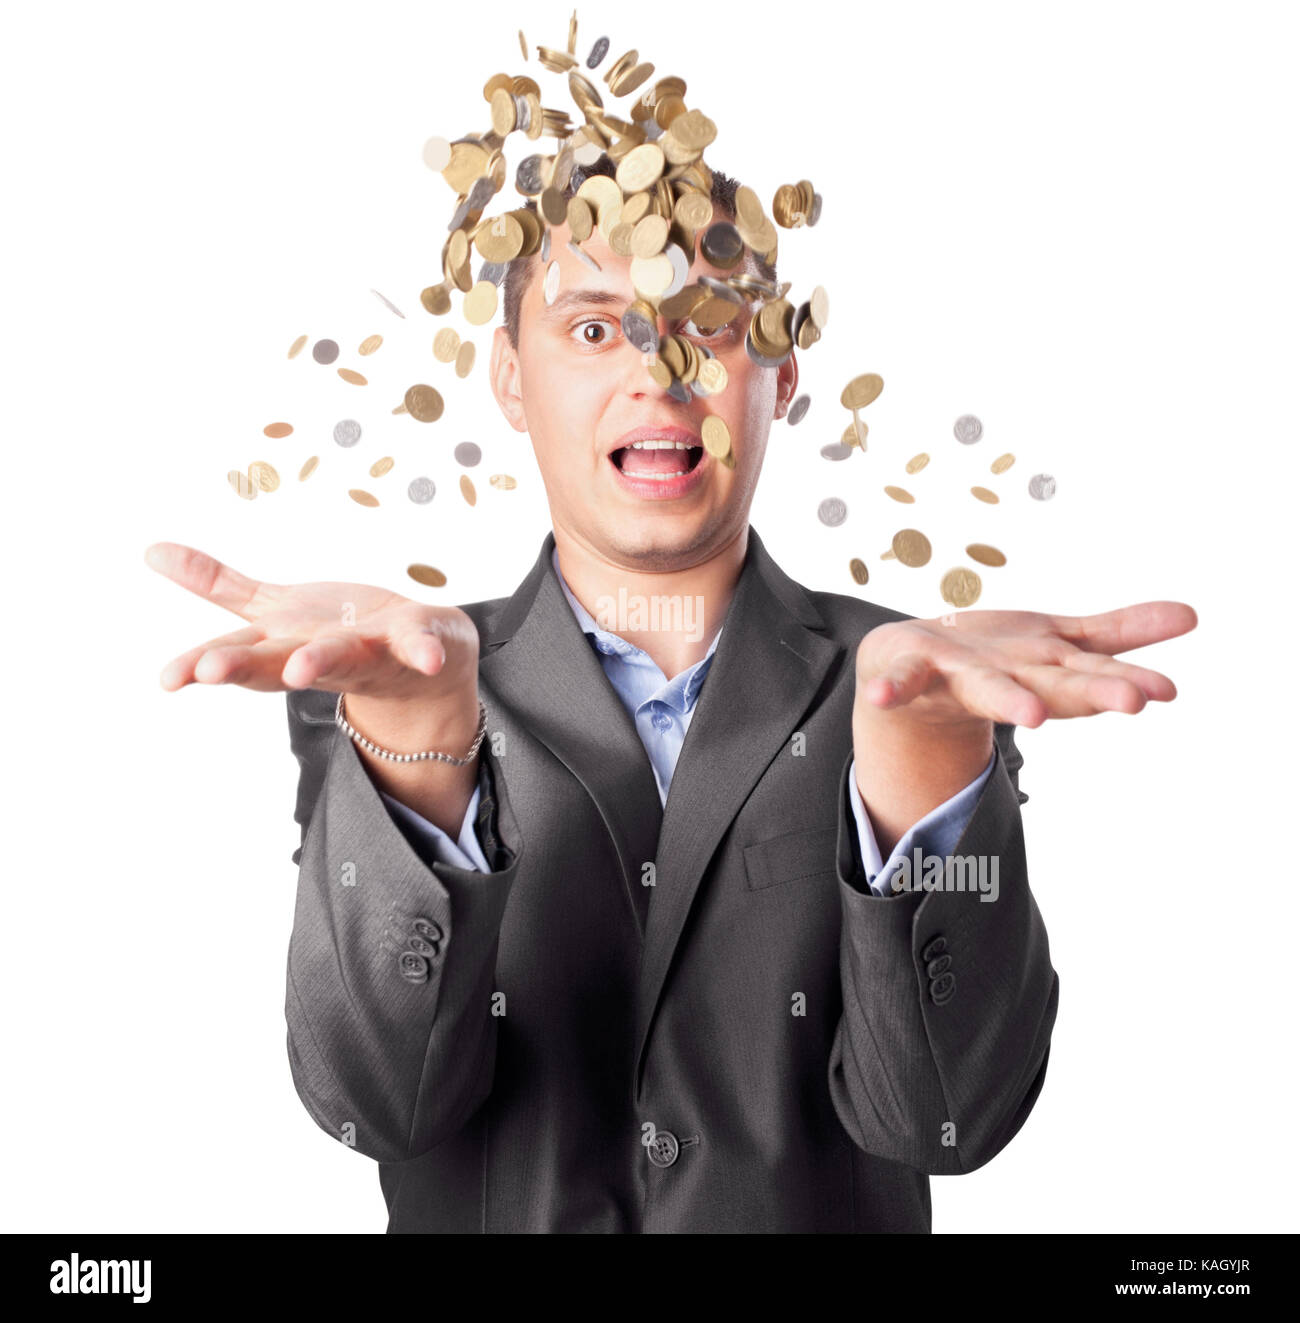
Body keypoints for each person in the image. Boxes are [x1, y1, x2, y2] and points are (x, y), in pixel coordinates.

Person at [146, 155, 1197, 1233]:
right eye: (595, 328)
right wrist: (418, 745)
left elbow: (949, 1120)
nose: (661, 373)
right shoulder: (379, 683)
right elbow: (380, 1104)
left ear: (780, 373)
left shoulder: (919, 682)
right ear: (509, 376)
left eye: (711, 322)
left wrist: (922, 758)